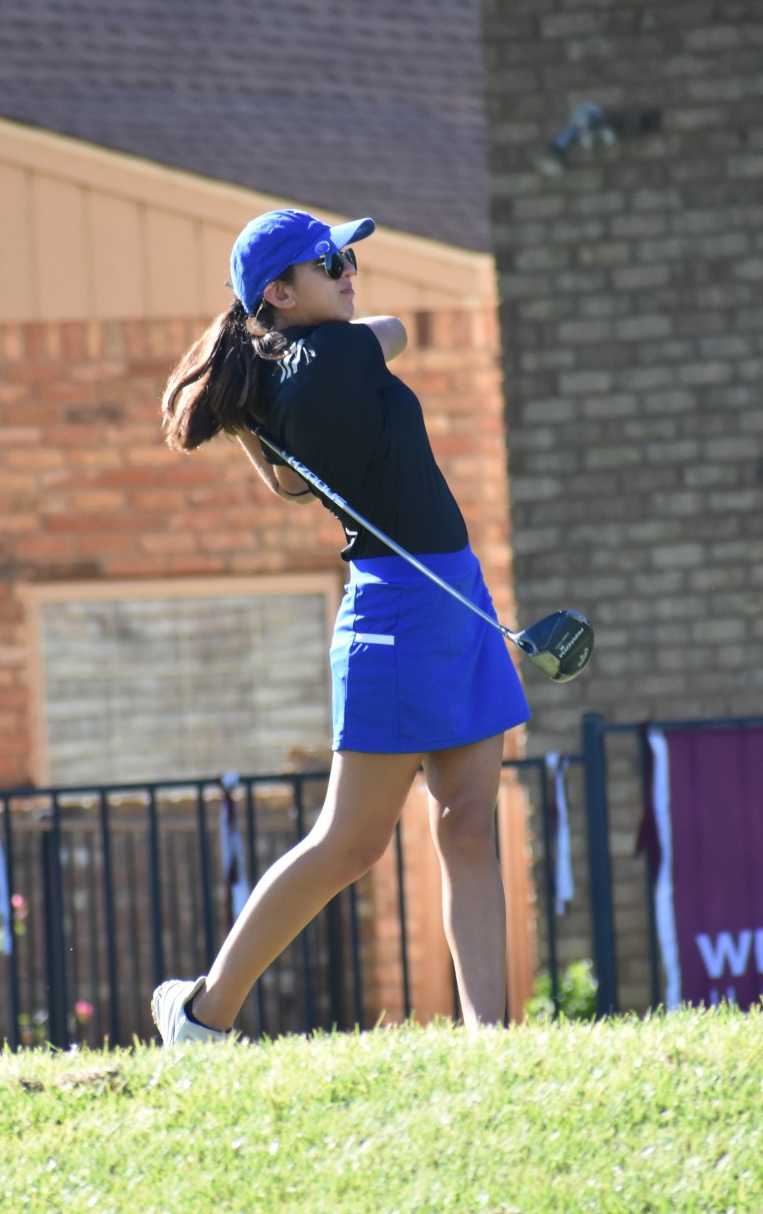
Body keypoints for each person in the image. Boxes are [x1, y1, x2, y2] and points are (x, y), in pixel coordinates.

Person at [153, 208, 530, 1045]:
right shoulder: (332, 351)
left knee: (467, 820)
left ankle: (490, 1039)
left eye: (349, 257)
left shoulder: (286, 370)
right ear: (280, 294)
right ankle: (202, 1013)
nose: (350, 271)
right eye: (331, 263)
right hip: (399, 609)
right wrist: (339, 336)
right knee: (350, 843)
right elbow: (392, 332)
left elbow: (289, 482)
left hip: (448, 590)